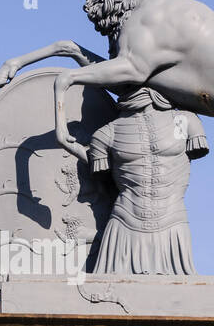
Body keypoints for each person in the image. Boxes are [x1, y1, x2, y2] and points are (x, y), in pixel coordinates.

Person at [81, 86, 207, 275]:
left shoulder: (184, 121)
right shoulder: (106, 134)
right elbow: (100, 182)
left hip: (172, 221)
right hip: (125, 222)